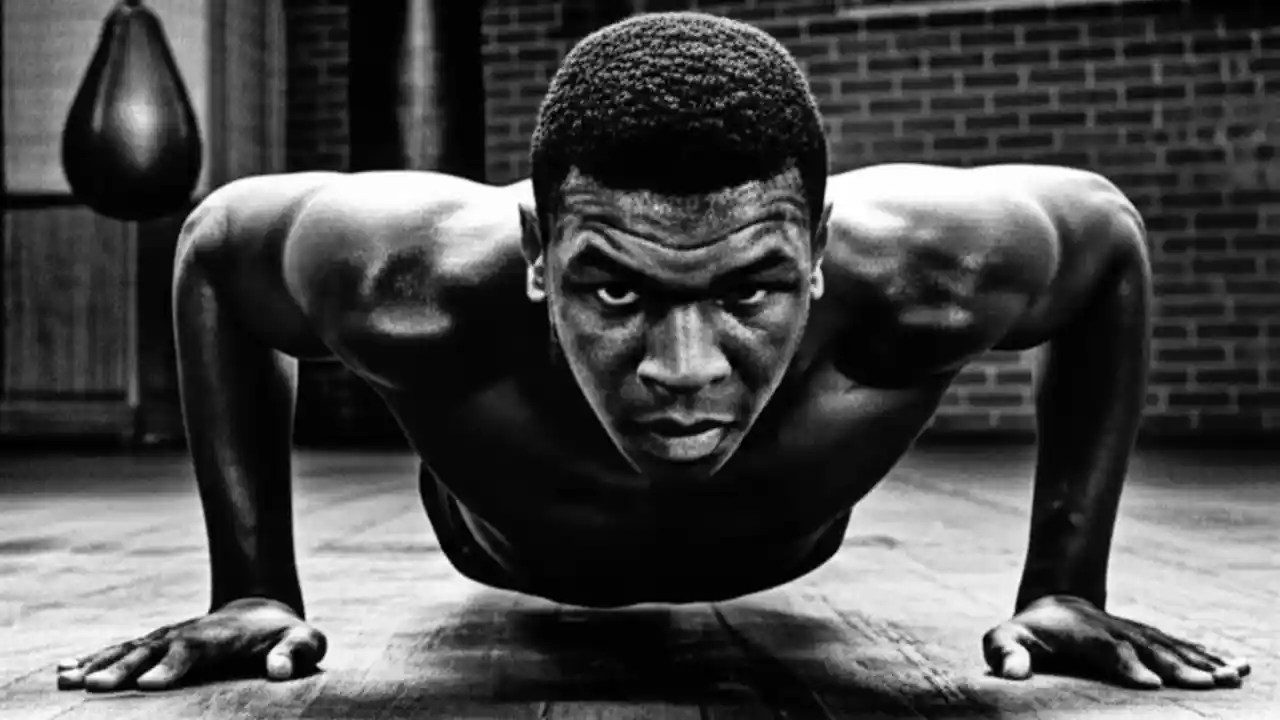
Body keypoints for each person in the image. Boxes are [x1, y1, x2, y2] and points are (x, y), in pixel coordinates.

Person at [57, 11, 1249, 694]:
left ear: (821, 248)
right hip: (501, 549)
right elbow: (214, 247)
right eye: (614, 285)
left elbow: (1106, 236)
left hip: (789, 548)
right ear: (536, 250)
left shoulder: (930, 274)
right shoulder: (408, 283)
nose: (683, 369)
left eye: (749, 288)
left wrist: (1063, 585)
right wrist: (253, 584)